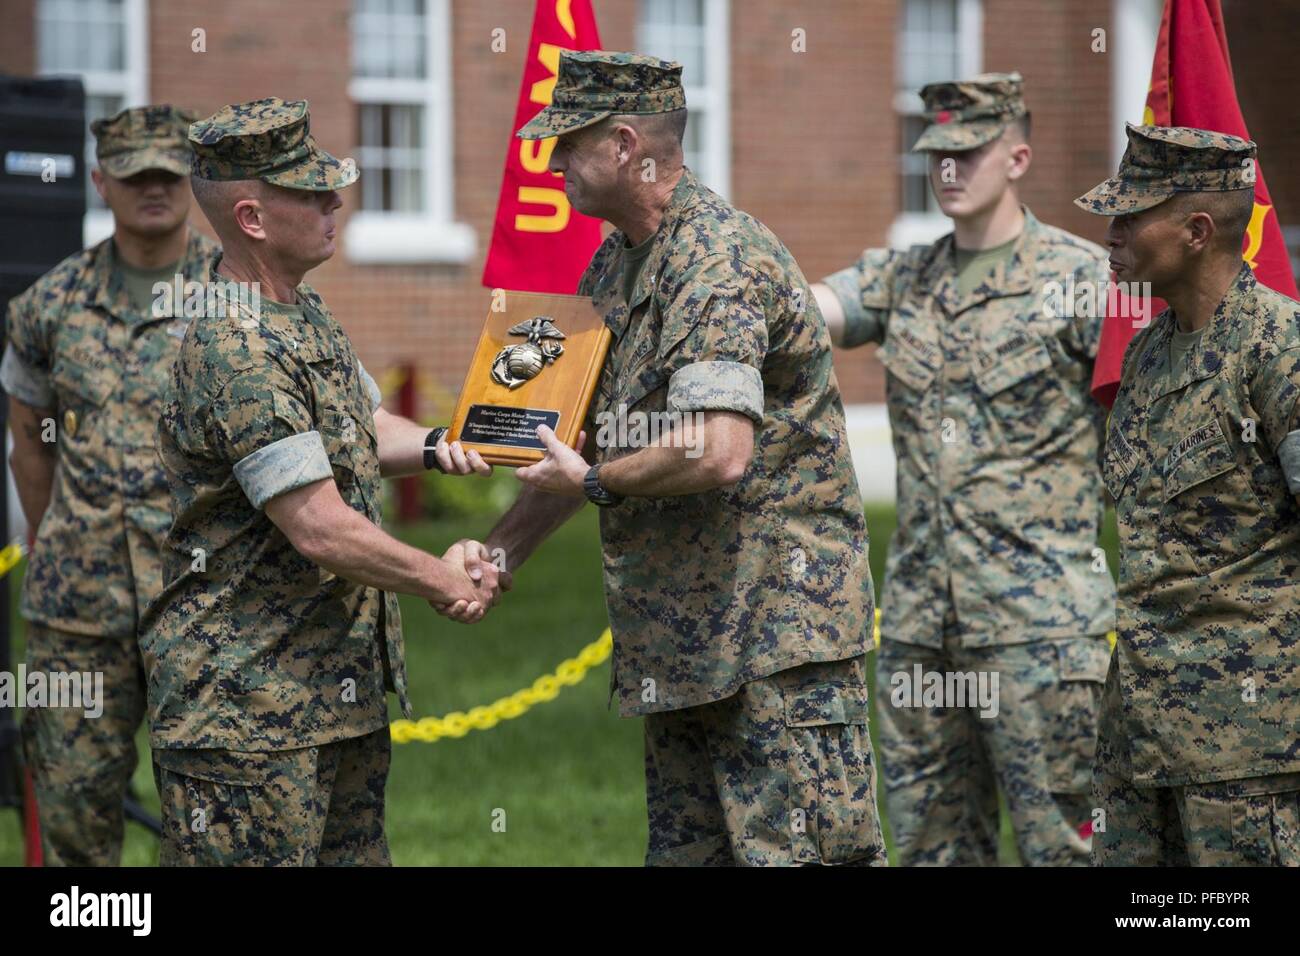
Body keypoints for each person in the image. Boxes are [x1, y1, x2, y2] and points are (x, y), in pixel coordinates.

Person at [479, 51, 883, 866]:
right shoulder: (617, 262)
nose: (552, 162)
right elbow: (578, 441)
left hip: (774, 645)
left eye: (569, 144)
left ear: (626, 145)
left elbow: (717, 449)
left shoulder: (716, 259)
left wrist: (593, 481)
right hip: (685, 649)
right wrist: (498, 553)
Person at [139, 97, 503, 866]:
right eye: (311, 191)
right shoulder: (235, 345)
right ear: (254, 218)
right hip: (246, 716)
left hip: (330, 698)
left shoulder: (300, 314)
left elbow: (357, 426)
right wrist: (440, 577)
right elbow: (320, 527)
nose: (334, 201)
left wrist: (441, 445)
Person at [810, 73, 1115, 866]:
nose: (948, 170)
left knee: (1067, 847)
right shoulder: (903, 279)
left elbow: (1151, 418)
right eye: (935, 154)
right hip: (923, 628)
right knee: (931, 846)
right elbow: (807, 311)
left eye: (968, 153)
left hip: (1041, 630)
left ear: (1017, 157)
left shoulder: (1086, 283)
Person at [1077, 123, 1300, 866]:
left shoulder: (1277, 350)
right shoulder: (1147, 351)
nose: (1110, 236)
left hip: (1247, 752)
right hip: (1141, 734)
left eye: (1130, 217)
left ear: (1198, 229)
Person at [2, 105, 219, 865]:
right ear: (101, 180)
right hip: (77, 616)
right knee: (73, 812)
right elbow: (29, 438)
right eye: (134, 175)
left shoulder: (238, 297)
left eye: (167, 173)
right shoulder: (49, 306)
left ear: (190, 178)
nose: (152, 189)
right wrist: (59, 537)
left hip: (203, 605)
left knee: (212, 821)